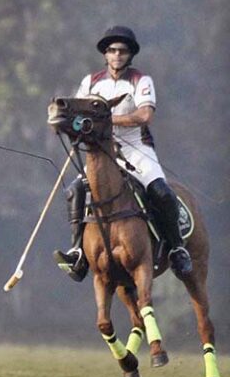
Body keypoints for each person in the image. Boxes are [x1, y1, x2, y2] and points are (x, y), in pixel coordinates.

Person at [53, 25, 192, 281]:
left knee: (161, 191)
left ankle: (176, 248)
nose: (117, 55)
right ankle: (77, 252)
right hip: (103, 152)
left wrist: (108, 120)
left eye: (122, 51)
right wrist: (65, 123)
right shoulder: (91, 82)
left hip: (136, 149)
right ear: (105, 54)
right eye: (112, 50)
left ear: (130, 55)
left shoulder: (141, 80)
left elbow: (144, 115)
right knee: (75, 190)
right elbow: (78, 114)